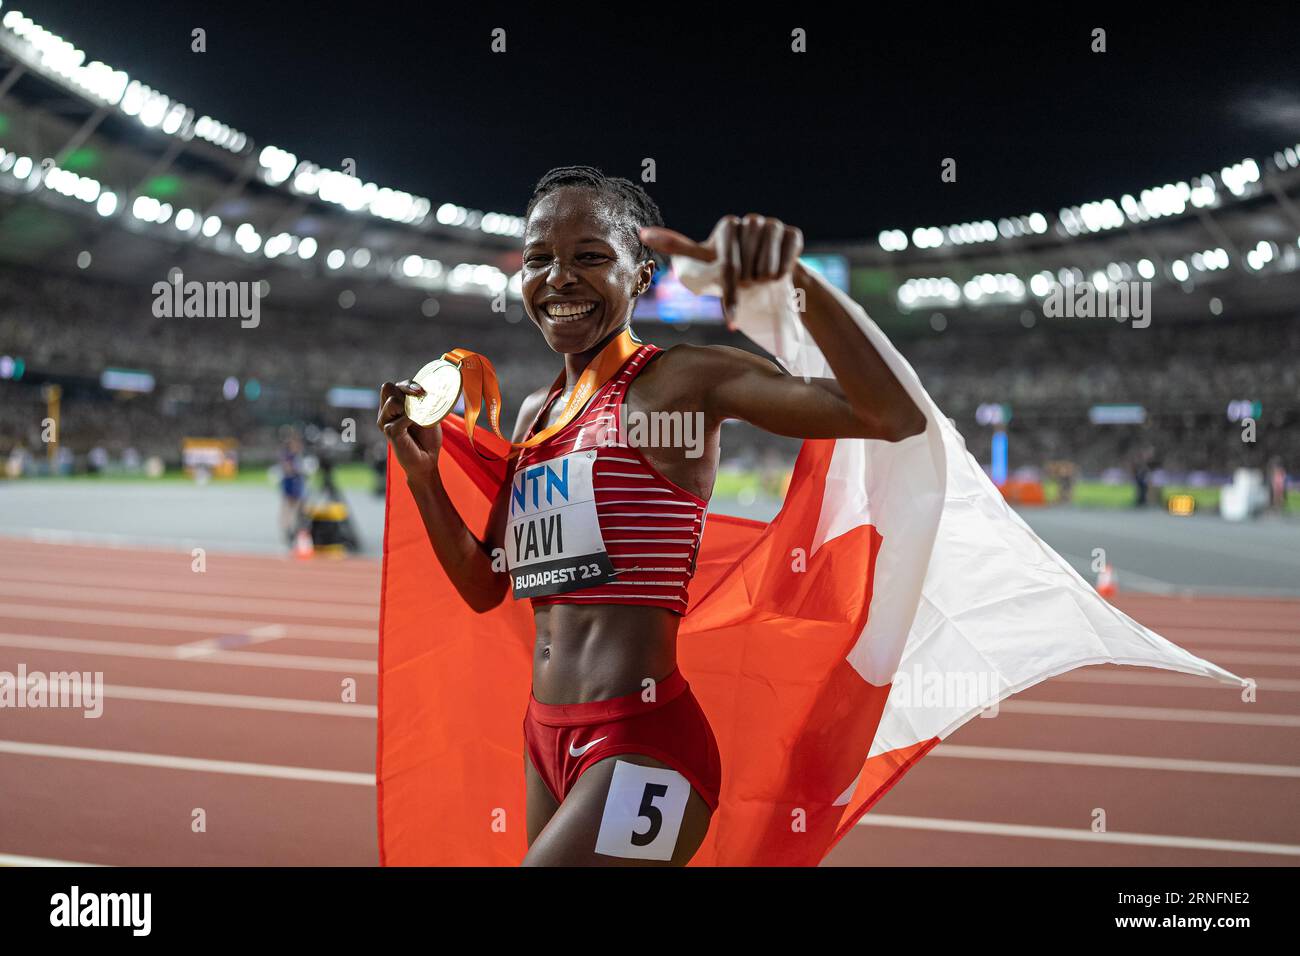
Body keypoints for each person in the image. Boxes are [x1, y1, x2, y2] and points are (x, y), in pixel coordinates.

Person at [377, 166, 925, 866]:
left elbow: (890, 415)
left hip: (644, 742)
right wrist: (424, 476)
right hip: (545, 738)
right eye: (540, 258)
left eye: (590, 257)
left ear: (640, 277)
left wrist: (793, 282)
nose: (559, 277)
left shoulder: (678, 385)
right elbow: (489, 584)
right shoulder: (534, 416)